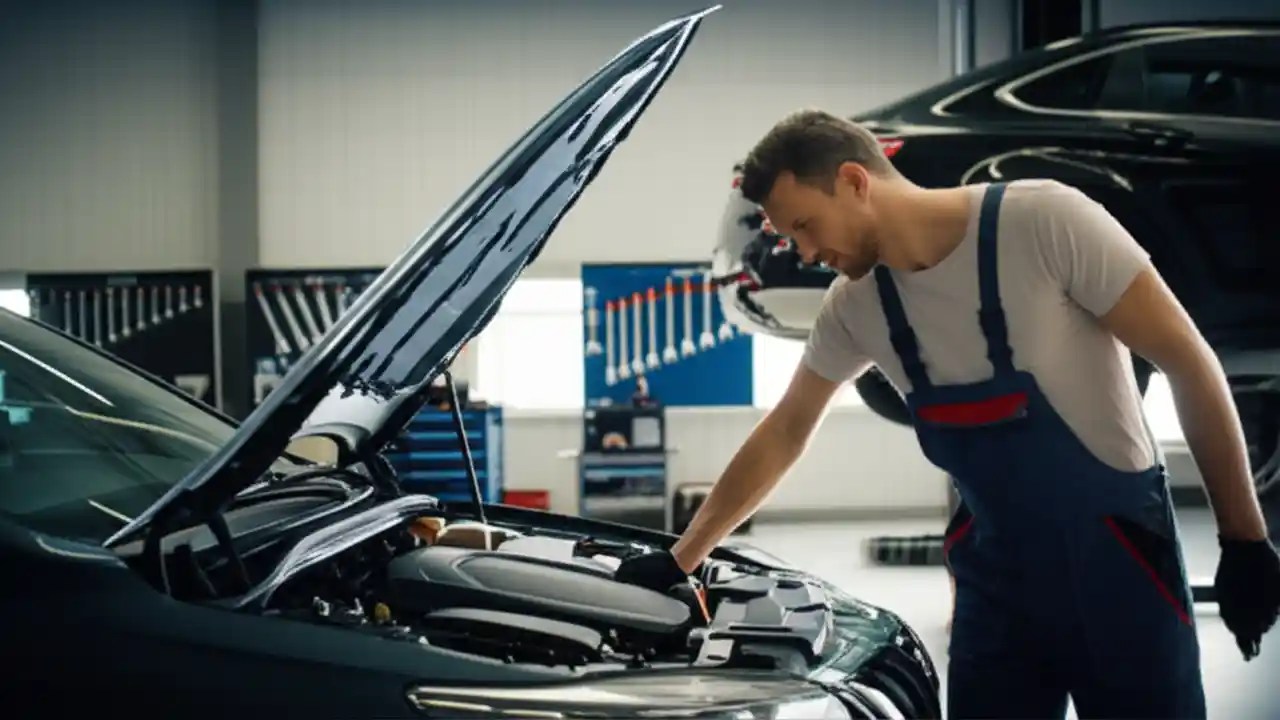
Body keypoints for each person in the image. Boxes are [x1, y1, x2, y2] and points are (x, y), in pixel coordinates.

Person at [614, 109, 1280, 718]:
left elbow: (1188, 359)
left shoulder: (1046, 223)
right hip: (997, 587)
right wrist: (684, 557)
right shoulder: (856, 307)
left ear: (853, 180)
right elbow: (786, 430)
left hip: (1121, 569)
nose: (807, 254)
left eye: (805, 226)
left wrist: (1243, 540)